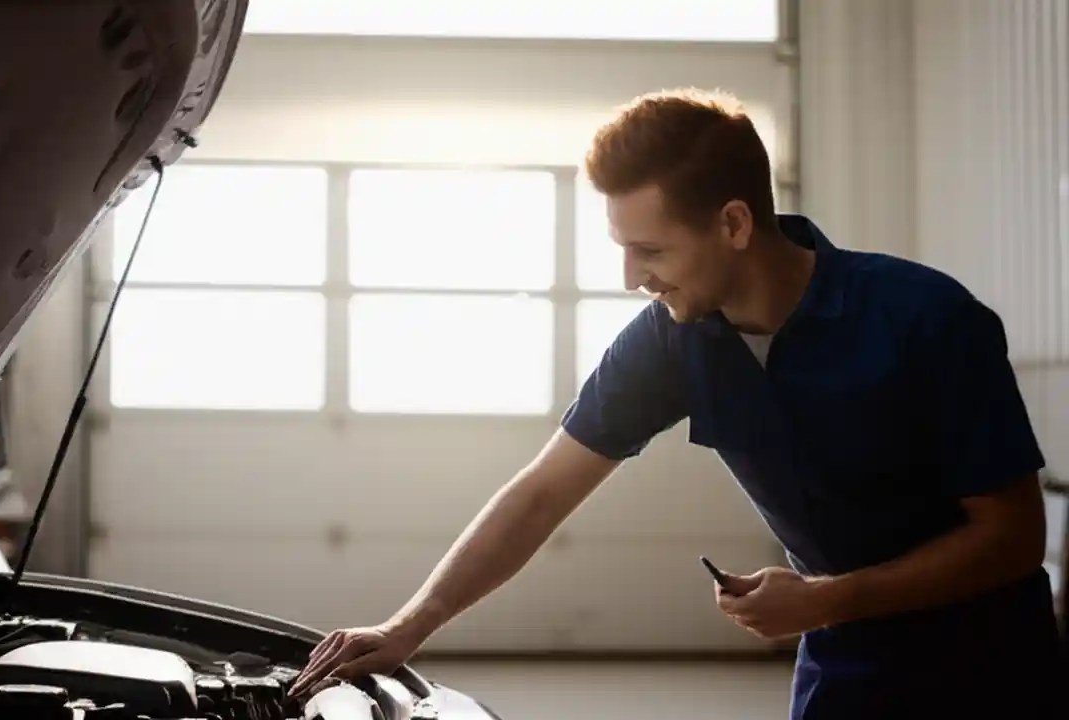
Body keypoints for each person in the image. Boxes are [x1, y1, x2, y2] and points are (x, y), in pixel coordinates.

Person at [288, 88, 1062, 718]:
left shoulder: (927, 318)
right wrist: (407, 627)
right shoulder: (669, 340)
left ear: (732, 223)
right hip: (843, 666)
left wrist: (828, 597)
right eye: (622, 248)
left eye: (650, 251)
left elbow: (1013, 537)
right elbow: (541, 492)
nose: (631, 277)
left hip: (988, 669)